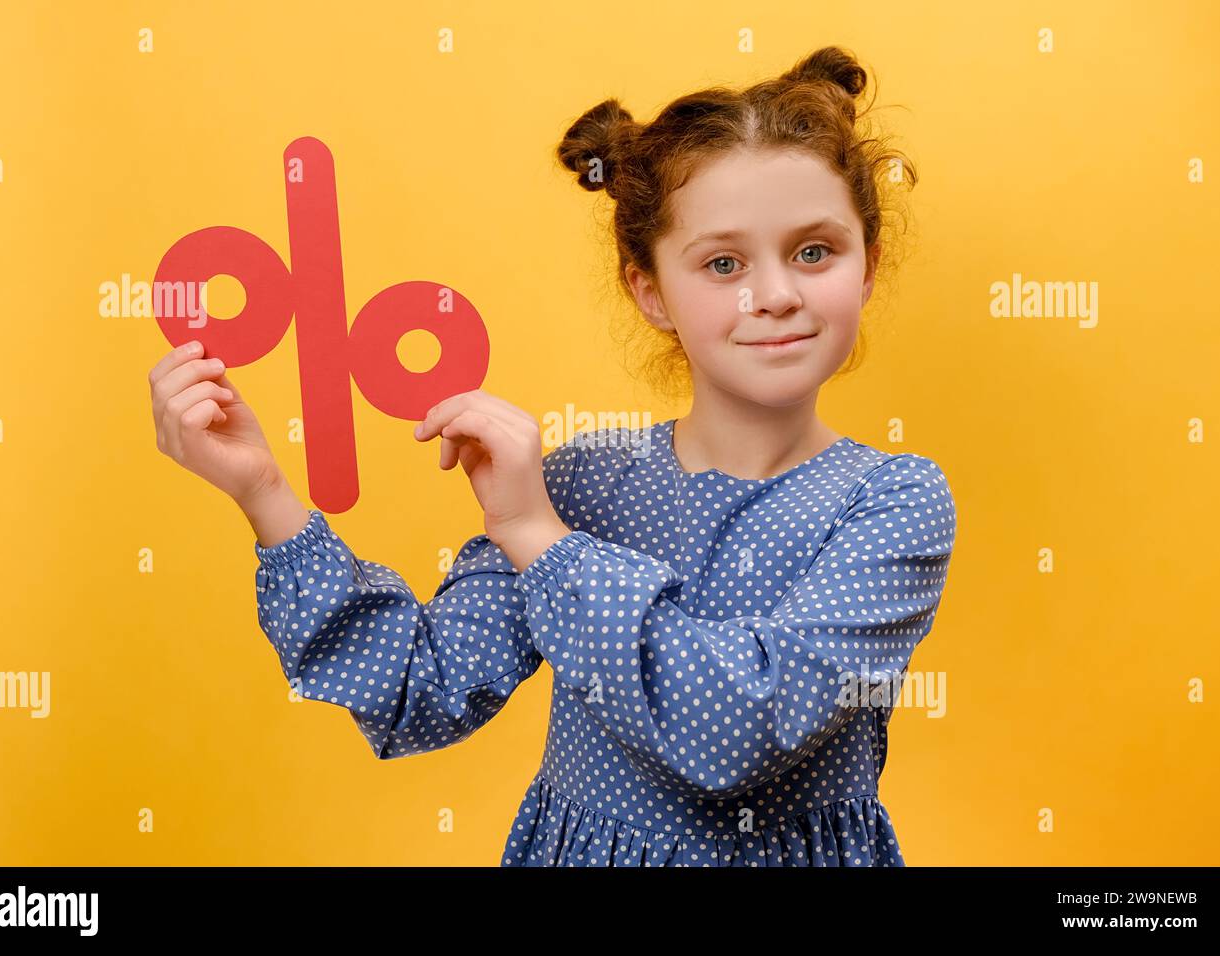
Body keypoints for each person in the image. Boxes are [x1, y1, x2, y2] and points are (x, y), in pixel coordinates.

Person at [148, 45, 956, 866]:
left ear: (866, 268)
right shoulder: (581, 484)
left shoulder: (893, 501)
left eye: (814, 252)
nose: (776, 294)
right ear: (651, 292)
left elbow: (742, 728)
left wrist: (538, 536)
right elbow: (419, 694)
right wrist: (265, 493)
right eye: (722, 263)